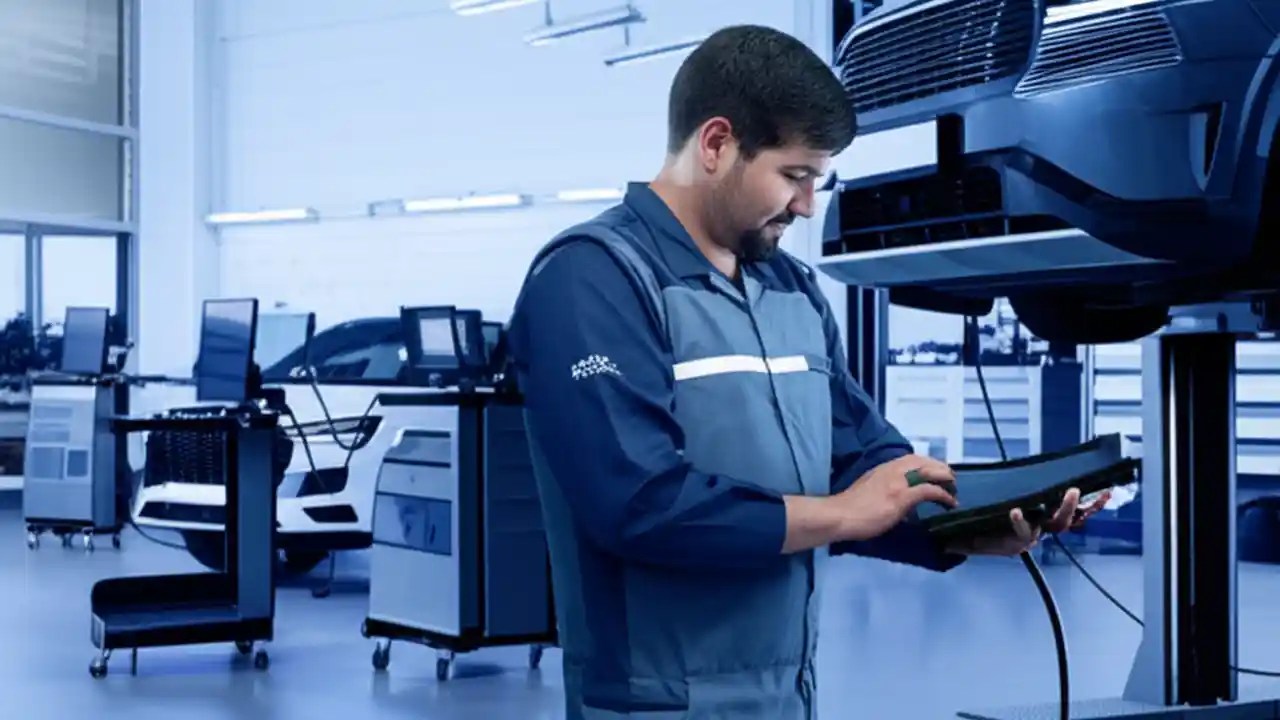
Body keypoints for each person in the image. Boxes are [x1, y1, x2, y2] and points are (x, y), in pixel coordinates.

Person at [506, 25, 1107, 720]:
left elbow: (863, 461)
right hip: (653, 706)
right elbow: (639, 503)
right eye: (794, 176)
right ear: (716, 144)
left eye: (817, 180)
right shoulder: (592, 279)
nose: (807, 205)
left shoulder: (790, 288)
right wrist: (844, 513)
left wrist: (969, 526)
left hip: (789, 699)